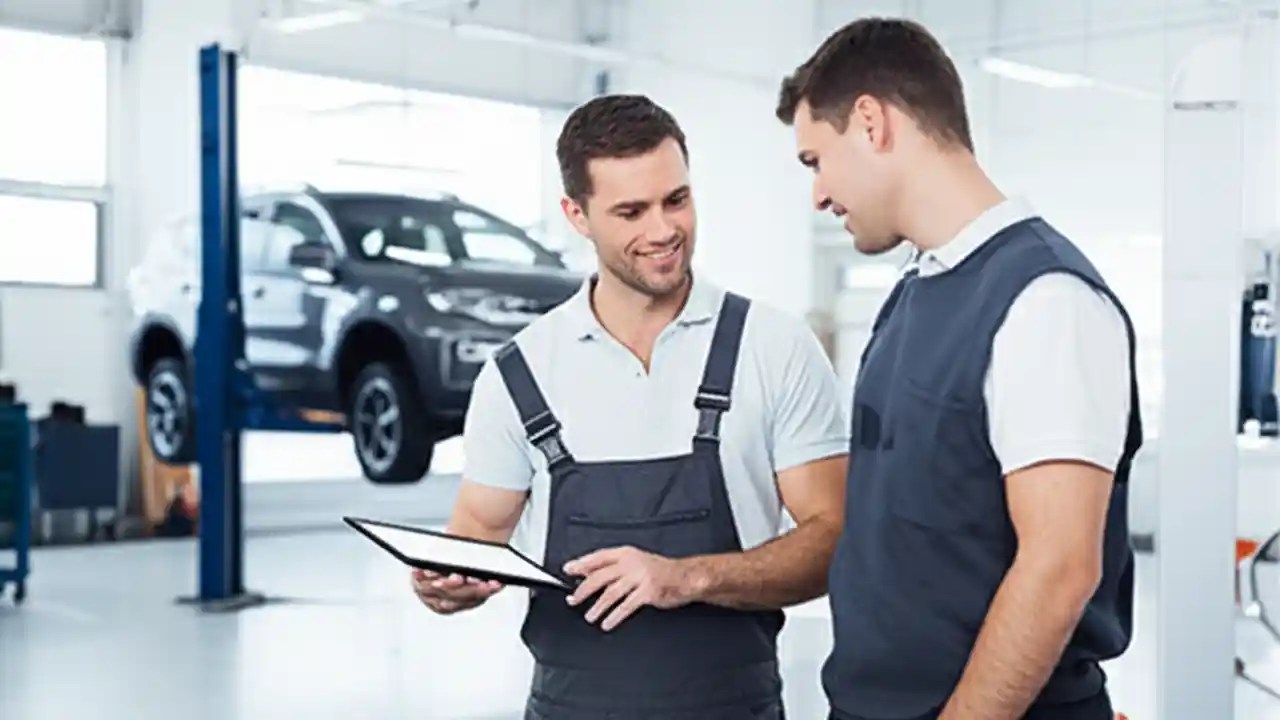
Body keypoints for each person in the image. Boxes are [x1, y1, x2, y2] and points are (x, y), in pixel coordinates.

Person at [411, 93, 850, 719]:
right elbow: (476, 537)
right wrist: (445, 586)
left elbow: (835, 541)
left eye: (677, 199)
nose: (663, 230)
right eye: (630, 211)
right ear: (577, 214)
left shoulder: (773, 348)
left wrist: (686, 577)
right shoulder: (521, 371)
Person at [775, 17, 1143, 720]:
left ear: (871, 122)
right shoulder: (917, 289)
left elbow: (1060, 569)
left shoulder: (1045, 300)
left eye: (815, 160)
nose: (818, 194)